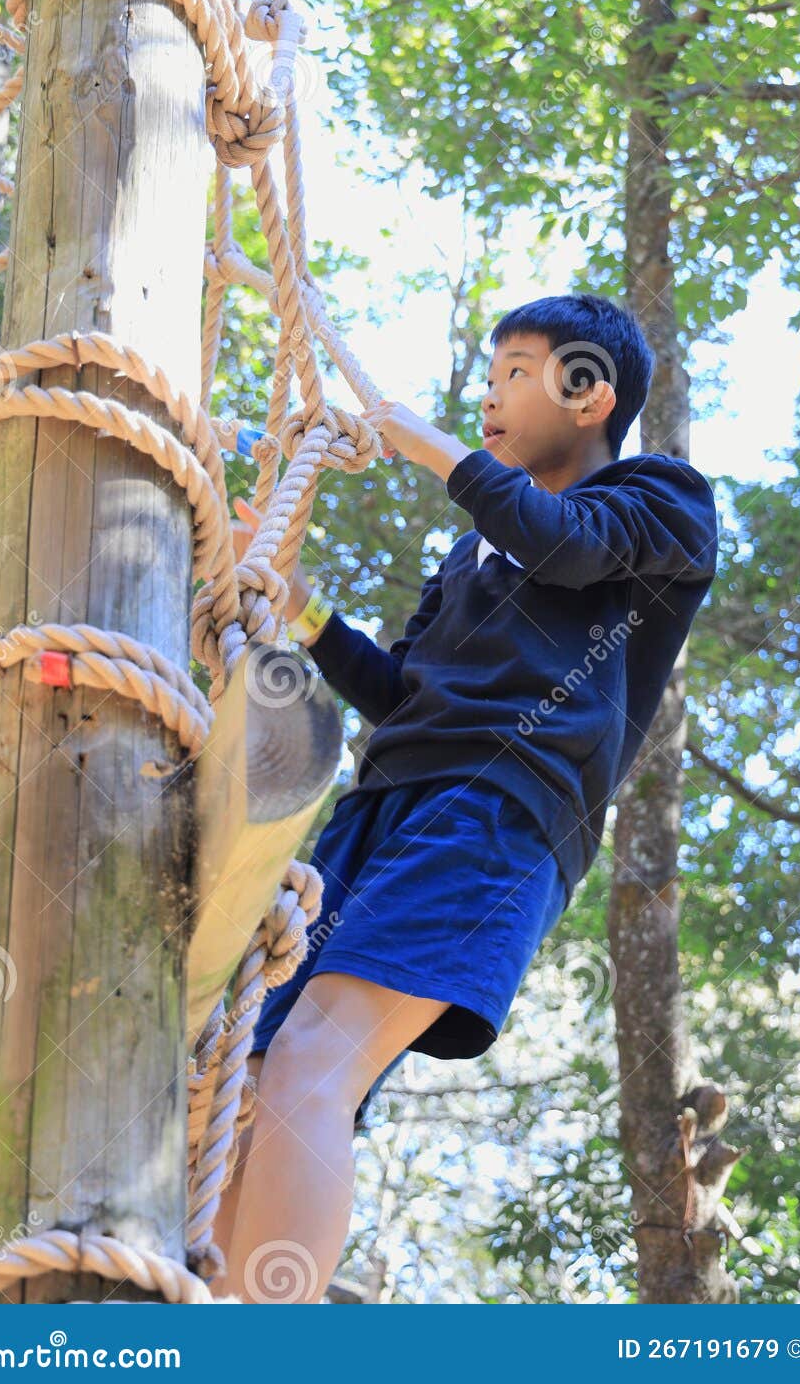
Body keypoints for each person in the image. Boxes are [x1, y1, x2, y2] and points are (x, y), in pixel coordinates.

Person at [211, 292, 718, 1303]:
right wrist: (299, 607)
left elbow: (562, 541)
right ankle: (210, 1307)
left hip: (501, 807)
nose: (486, 400)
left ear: (587, 391)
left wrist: (432, 449)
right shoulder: (472, 553)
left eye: (513, 375)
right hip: (383, 806)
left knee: (315, 1060)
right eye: (484, 382)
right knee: (258, 1077)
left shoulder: (662, 500)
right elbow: (401, 690)